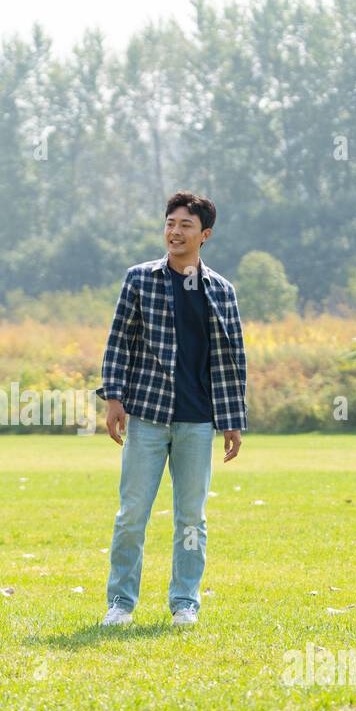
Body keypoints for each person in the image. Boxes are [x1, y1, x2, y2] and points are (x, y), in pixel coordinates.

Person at [96, 191, 247, 627]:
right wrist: (113, 397)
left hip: (198, 421)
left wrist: (233, 421)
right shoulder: (139, 280)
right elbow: (118, 342)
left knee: (191, 519)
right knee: (132, 515)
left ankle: (185, 601)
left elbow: (231, 359)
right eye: (170, 223)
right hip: (147, 414)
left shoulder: (220, 290)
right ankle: (121, 603)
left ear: (205, 235)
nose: (175, 232)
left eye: (185, 225)